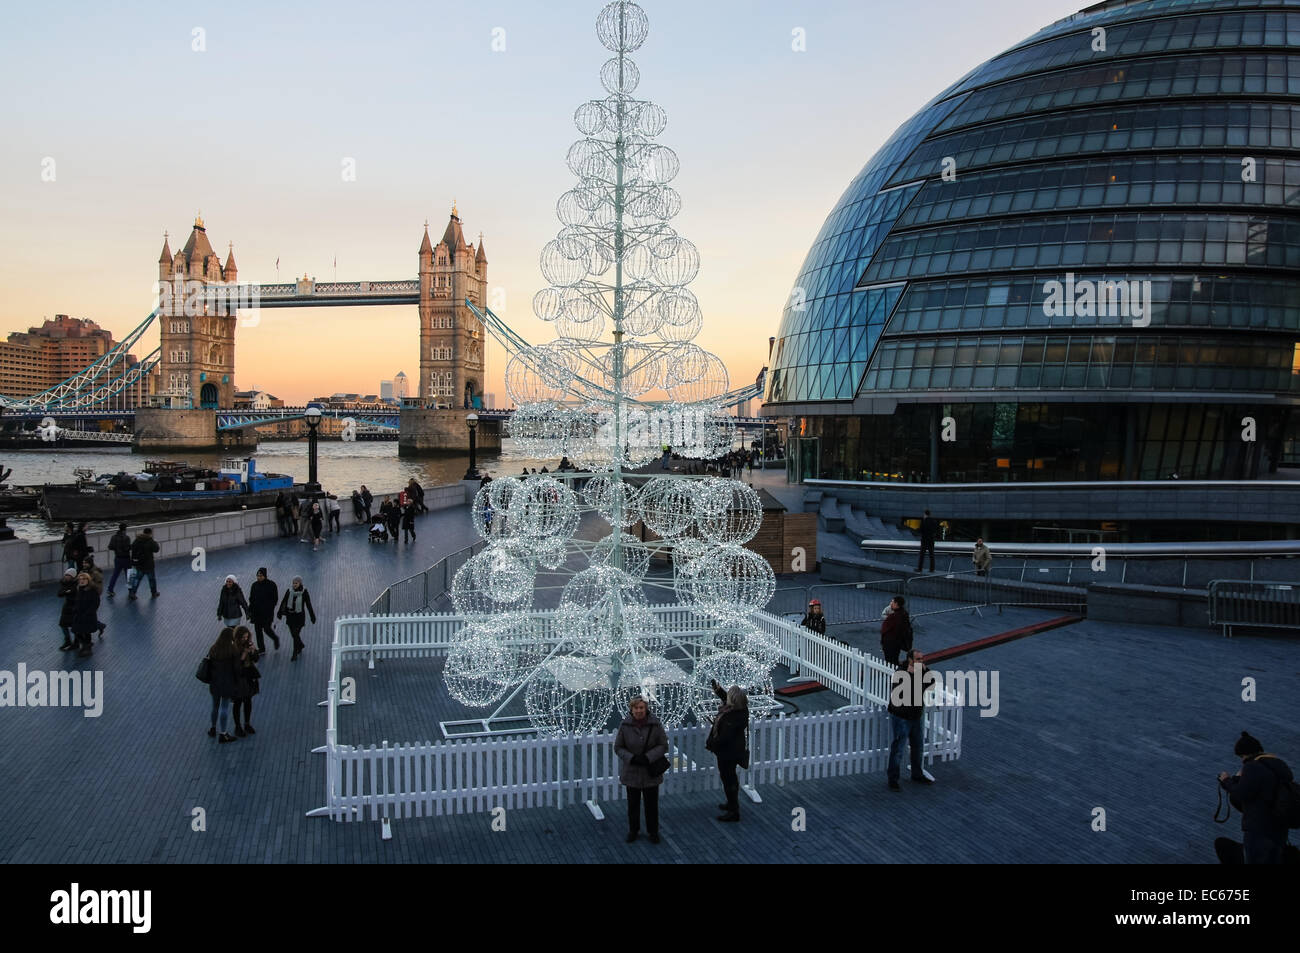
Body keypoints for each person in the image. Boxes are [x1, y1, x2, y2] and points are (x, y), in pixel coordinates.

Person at [1217, 732, 1294, 864]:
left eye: (1241, 756)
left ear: (1246, 753)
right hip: (1280, 830)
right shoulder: (1279, 765)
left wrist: (1227, 781)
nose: (1242, 761)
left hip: (1259, 830)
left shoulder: (1253, 767)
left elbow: (1241, 795)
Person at [613, 696, 668, 844]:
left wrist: (648, 757)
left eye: (641, 708)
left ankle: (653, 831)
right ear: (631, 709)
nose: (639, 711)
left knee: (652, 804)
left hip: (650, 772)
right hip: (632, 771)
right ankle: (633, 830)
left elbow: (663, 745)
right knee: (633, 805)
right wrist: (631, 758)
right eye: (636, 708)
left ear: (646, 709)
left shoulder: (655, 725)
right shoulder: (625, 726)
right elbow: (618, 747)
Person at [887, 650, 937, 791]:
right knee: (898, 749)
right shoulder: (900, 673)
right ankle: (893, 779)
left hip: (916, 715)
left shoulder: (921, 671)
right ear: (910, 660)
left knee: (918, 747)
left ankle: (917, 774)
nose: (921, 662)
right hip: (902, 716)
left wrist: (925, 670)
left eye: (922, 659)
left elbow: (931, 683)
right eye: (918, 659)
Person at [706, 681, 749, 822]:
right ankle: (731, 804)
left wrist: (711, 743)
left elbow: (724, 738)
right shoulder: (740, 710)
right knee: (729, 778)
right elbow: (727, 698)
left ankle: (733, 810)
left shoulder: (732, 716)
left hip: (728, 753)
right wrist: (719, 690)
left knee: (728, 779)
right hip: (732, 751)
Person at [205, 627, 242, 743]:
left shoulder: (213, 649)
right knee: (224, 707)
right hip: (227, 683)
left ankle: (212, 728)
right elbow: (237, 669)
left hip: (215, 683)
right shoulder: (233, 650)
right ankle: (223, 733)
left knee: (215, 706)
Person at [231, 626, 261, 738]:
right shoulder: (234, 648)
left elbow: (256, 659)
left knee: (248, 700)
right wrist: (244, 655)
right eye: (243, 637)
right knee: (238, 702)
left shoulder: (248, 644)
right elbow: (236, 666)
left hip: (248, 675)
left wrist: (253, 651)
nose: (245, 639)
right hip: (239, 677)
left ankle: (247, 723)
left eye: (247, 637)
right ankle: (237, 726)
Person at [277, 576, 317, 661]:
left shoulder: (304, 592)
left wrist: (312, 616)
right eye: (293, 583)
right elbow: (284, 601)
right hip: (290, 616)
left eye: (296, 583)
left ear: (300, 583)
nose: (294, 585)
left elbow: (308, 604)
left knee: (295, 634)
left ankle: (295, 653)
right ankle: (301, 645)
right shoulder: (289, 591)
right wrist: (280, 612)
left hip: (299, 617)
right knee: (294, 634)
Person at [248, 568, 281, 652]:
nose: (259, 577)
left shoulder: (271, 585)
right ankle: (262, 648)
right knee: (258, 631)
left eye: (260, 576)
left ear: (265, 576)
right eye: (258, 576)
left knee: (266, 628)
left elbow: (275, 598)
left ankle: (275, 638)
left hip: (267, 613)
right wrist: (250, 610)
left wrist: (270, 607)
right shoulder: (254, 585)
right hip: (256, 613)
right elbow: (251, 598)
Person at [70, 571, 101, 659]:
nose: (82, 581)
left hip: (88, 615)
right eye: (80, 579)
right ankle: (86, 645)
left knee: (86, 632)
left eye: (84, 579)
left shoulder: (92, 590)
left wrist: (88, 612)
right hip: (79, 615)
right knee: (77, 631)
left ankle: (87, 647)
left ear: (88, 580)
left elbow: (95, 603)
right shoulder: (80, 589)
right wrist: (75, 609)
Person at [127, 527, 160, 600]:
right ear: (150, 533)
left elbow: (132, 549)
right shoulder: (150, 541)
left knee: (137, 579)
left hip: (139, 564)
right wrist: (155, 542)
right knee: (151, 579)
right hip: (148, 564)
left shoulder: (137, 540)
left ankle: (132, 593)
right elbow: (156, 549)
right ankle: (154, 593)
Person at [881, 596, 913, 667]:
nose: (890, 603)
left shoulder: (895, 616)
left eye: (892, 602)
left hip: (891, 643)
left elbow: (888, 629)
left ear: (896, 604)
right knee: (894, 659)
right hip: (897, 643)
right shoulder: (903, 614)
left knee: (890, 661)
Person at [80, 556, 107, 640]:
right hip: (85, 597)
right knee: (89, 616)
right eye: (83, 562)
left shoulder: (96, 573)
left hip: (93, 598)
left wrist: (89, 584)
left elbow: (99, 587)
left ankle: (98, 627)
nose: (84, 564)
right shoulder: (84, 571)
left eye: (86, 563)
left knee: (89, 616)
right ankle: (100, 626)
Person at [105, 522, 132, 597]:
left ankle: (110, 589)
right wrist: (130, 547)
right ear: (125, 529)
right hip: (126, 558)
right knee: (129, 575)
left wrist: (117, 549)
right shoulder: (126, 538)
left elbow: (110, 547)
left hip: (117, 558)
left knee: (115, 575)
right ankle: (131, 591)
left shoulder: (114, 537)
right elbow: (126, 548)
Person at [56, 569, 77, 651]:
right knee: (63, 624)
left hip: (74, 606)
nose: (66, 576)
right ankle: (67, 640)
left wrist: (67, 592)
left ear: (72, 577)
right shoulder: (64, 583)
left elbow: (73, 591)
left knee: (75, 625)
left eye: (68, 575)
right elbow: (59, 593)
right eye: (66, 575)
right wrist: (67, 591)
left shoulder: (76, 584)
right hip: (67, 607)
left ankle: (76, 642)